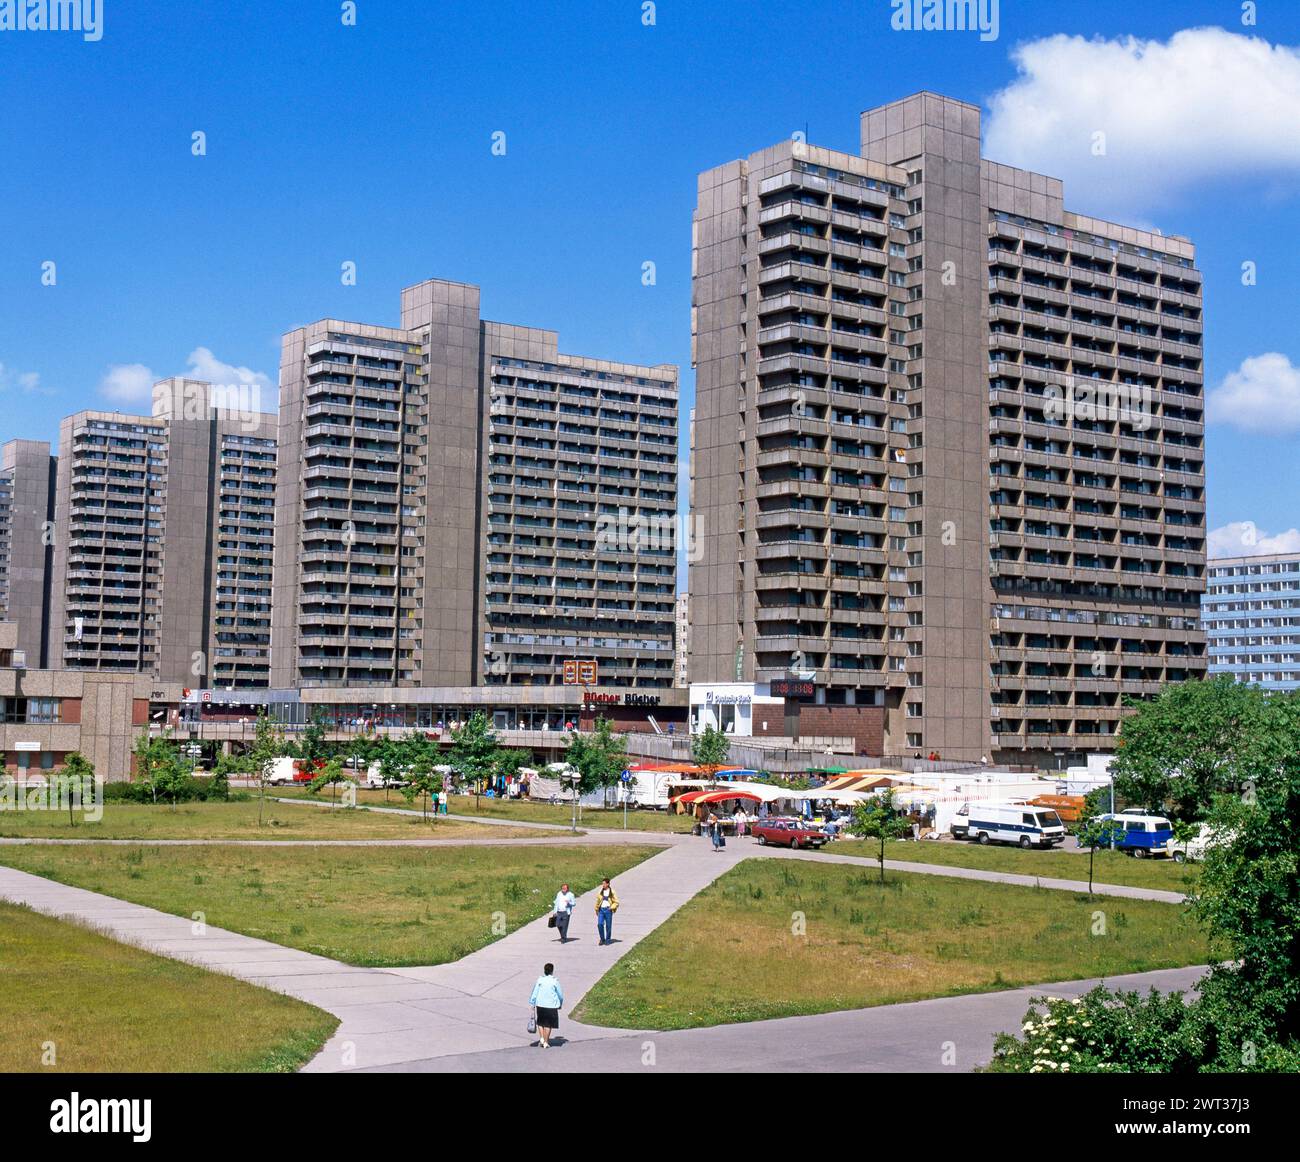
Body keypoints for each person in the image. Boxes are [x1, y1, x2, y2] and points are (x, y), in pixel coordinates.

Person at [529, 962, 564, 1049]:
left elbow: (535, 992)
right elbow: (560, 995)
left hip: (540, 1004)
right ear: (552, 971)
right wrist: (560, 1003)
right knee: (548, 1024)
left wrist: (532, 1002)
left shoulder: (540, 980)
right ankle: (546, 1042)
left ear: (544, 970)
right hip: (551, 1005)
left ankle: (541, 1038)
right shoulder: (555, 981)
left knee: (540, 1022)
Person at [595, 877, 618, 945]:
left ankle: (608, 939)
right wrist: (596, 909)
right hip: (601, 910)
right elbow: (598, 901)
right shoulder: (600, 891)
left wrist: (611, 908)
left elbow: (616, 902)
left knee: (608, 925)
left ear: (608, 884)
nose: (603, 885)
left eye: (604, 884)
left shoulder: (612, 891)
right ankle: (602, 939)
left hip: (608, 910)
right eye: (602, 884)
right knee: (600, 924)